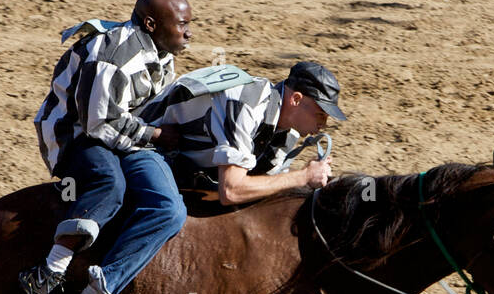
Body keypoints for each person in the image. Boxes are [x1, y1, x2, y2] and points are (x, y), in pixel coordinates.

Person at [22, 0, 193, 294]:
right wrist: (154, 137)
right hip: (75, 135)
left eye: (189, 24)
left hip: (122, 135)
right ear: (152, 24)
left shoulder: (162, 54)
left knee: (169, 208)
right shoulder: (116, 58)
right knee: (109, 186)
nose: (188, 33)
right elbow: (99, 124)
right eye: (181, 24)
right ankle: (45, 275)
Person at [141, 60, 346, 206]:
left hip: (180, 164)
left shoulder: (288, 132)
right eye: (321, 113)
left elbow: (265, 187)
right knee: (169, 212)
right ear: (296, 99)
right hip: (141, 141)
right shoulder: (247, 102)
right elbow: (232, 191)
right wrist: (303, 176)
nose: (324, 124)